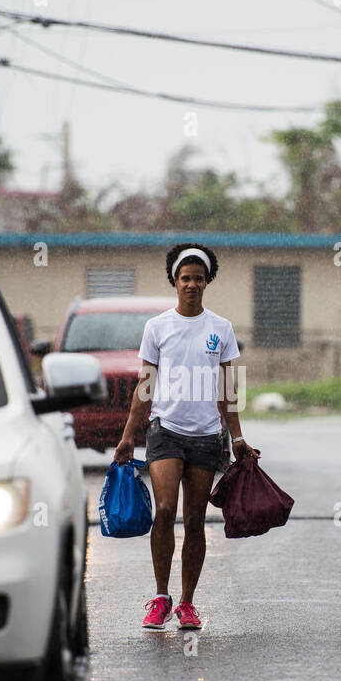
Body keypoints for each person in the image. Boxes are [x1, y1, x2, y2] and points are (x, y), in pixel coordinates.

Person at [114, 243, 255, 632]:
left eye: (198, 278)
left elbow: (229, 387)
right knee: (164, 511)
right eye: (185, 278)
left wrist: (238, 437)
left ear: (207, 281)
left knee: (195, 520)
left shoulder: (221, 329)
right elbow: (145, 386)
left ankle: (188, 603)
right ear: (174, 281)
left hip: (207, 437)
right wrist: (128, 436)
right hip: (165, 431)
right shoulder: (157, 328)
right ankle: (161, 597)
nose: (191, 284)